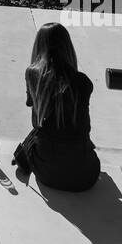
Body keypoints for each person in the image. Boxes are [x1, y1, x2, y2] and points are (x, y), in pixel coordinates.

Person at [12, 22, 100, 192]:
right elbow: (82, 123)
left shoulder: (33, 74)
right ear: (68, 48)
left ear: (39, 47)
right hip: (86, 176)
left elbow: (31, 107)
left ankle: (24, 157)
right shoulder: (83, 82)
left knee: (38, 132)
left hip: (47, 173)